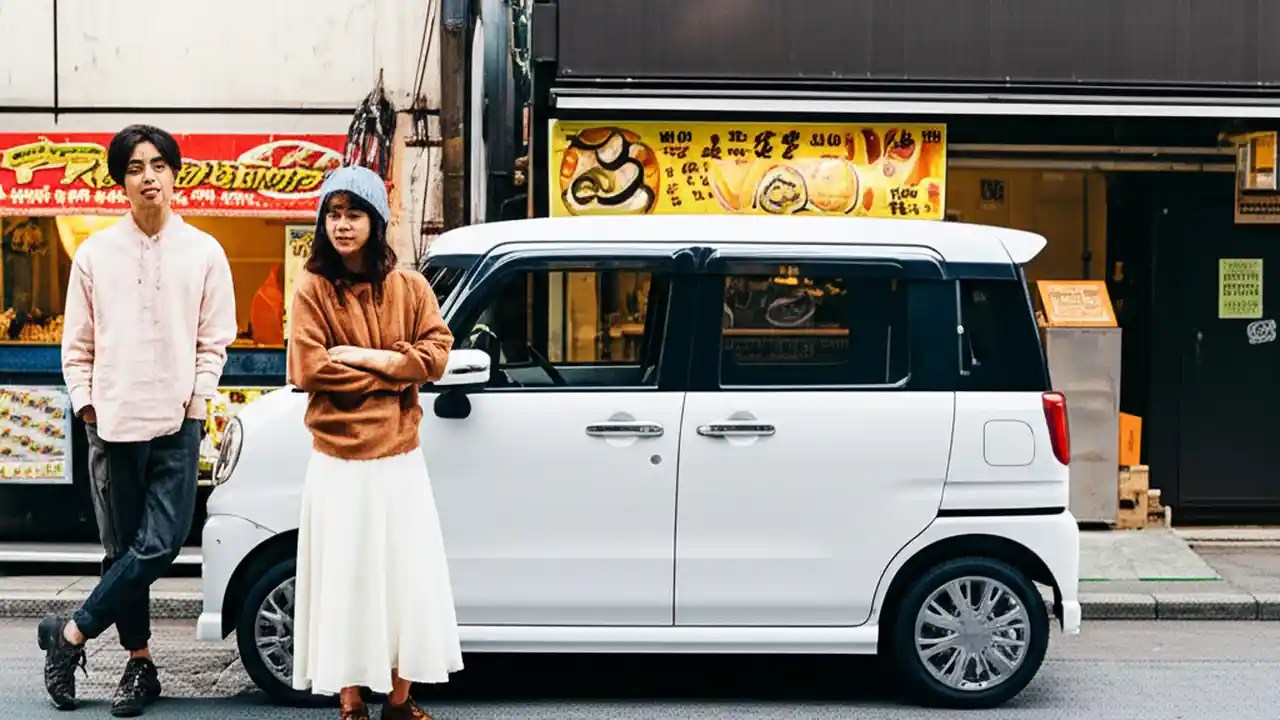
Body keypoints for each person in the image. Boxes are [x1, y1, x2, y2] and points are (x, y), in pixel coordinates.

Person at [40, 124, 238, 716]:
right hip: (113, 423)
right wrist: (88, 404)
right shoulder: (96, 253)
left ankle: (71, 632)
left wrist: (197, 401)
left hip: (178, 424)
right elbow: (75, 345)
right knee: (122, 547)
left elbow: (214, 340)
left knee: (162, 543)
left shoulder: (203, 251)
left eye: (157, 164)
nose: (147, 175)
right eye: (134, 167)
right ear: (121, 181)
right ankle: (139, 665)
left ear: (175, 174)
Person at [287, 164, 462, 720]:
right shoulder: (312, 288)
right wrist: (398, 373)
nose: (342, 225)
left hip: (399, 460)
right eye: (333, 214)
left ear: (376, 221)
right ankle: (350, 699)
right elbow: (310, 368)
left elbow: (436, 356)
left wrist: (367, 357)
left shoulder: (409, 286)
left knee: (406, 577)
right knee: (347, 578)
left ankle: (401, 698)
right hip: (338, 460)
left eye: (354, 213)